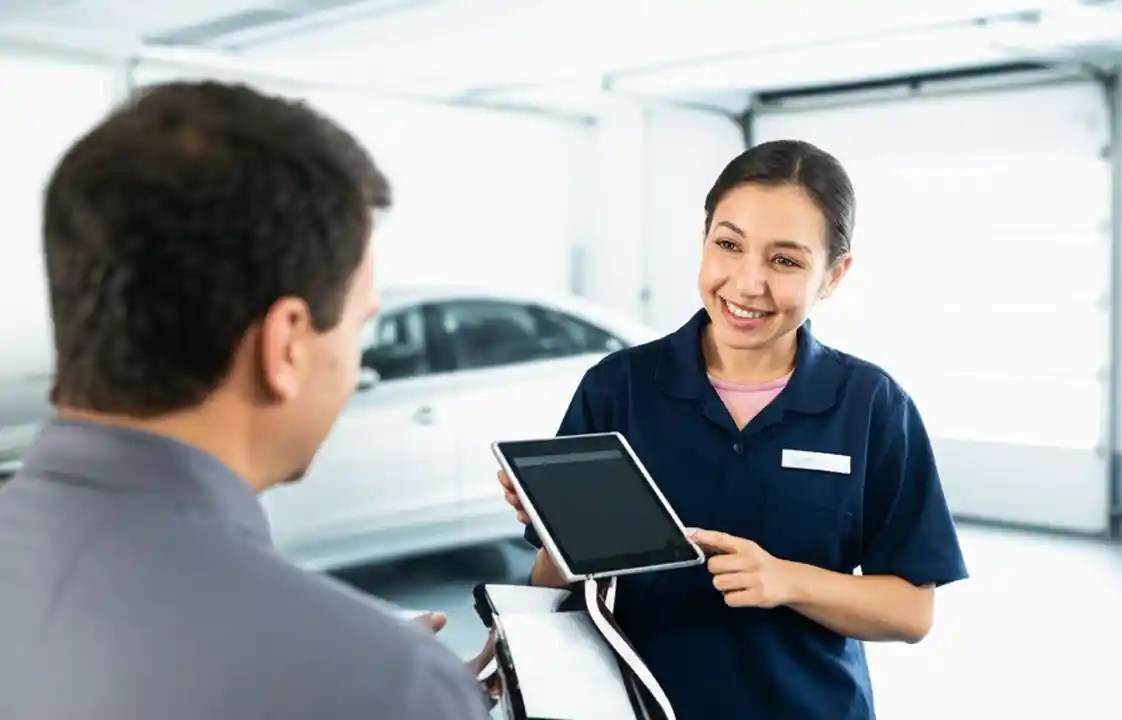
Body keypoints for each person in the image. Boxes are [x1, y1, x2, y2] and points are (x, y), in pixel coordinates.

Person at [0, 81, 492, 719]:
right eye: (358, 326)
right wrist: (387, 677)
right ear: (285, 344)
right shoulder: (384, 685)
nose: (356, 362)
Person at [499, 139, 968, 719]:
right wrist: (556, 529)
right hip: (642, 707)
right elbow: (559, 585)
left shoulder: (872, 405)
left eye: (785, 260)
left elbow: (910, 612)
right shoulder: (617, 388)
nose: (748, 283)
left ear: (833, 275)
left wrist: (785, 580)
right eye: (728, 245)